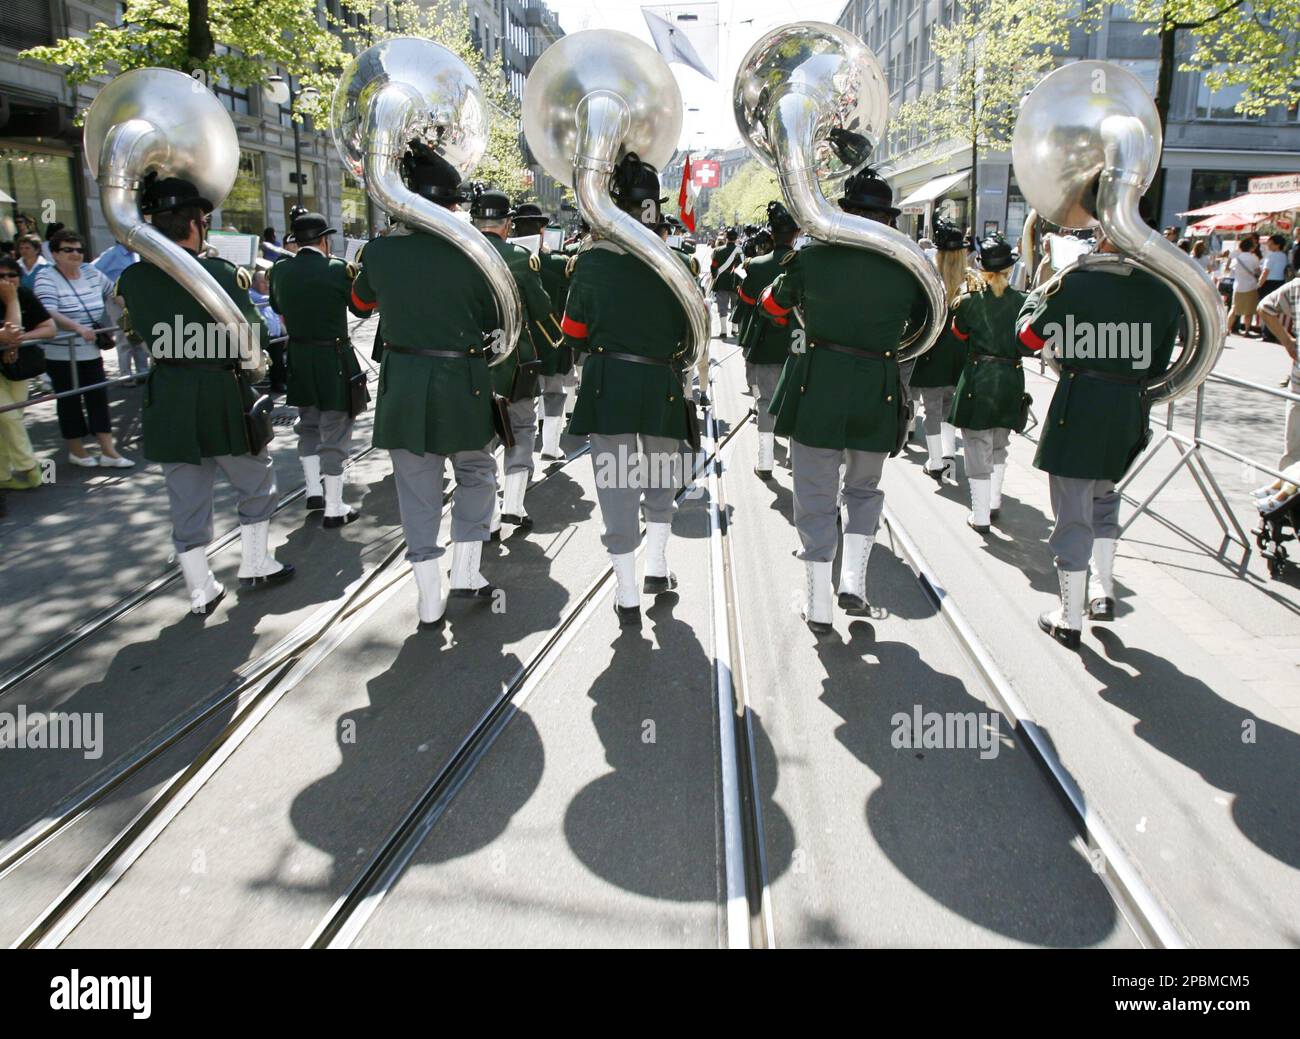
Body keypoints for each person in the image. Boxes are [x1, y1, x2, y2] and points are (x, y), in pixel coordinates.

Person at [757, 167, 928, 632]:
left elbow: (772, 306)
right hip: (878, 383)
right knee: (864, 488)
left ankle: (818, 605)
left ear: (847, 213)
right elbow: (926, 322)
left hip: (820, 382)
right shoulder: (907, 267)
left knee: (814, 491)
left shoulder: (812, 257)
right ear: (886, 219)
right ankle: (853, 581)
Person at [116, 175, 293, 614]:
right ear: (196, 224)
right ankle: (255, 563)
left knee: (186, 496)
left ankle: (200, 589)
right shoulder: (220, 273)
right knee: (255, 480)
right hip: (220, 391)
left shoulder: (133, 279)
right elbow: (253, 333)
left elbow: (136, 331)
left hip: (170, 394)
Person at [1016, 199, 1181, 648]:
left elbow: (1028, 337)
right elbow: (1161, 361)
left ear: (1106, 234)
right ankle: (1104, 593)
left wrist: (1037, 294)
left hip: (1080, 403)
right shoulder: (1166, 291)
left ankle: (1069, 617)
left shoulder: (1076, 283)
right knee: (1105, 500)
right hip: (1128, 408)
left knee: (1072, 513)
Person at [347, 150, 500, 628]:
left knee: (416, 490)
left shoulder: (380, 250)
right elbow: (497, 320)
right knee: (476, 473)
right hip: (464, 384)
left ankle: (428, 599)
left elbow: (358, 305)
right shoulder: (476, 249)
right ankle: (467, 573)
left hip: (405, 385)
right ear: (453, 205)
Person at [560, 153, 694, 627]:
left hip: (608, 384)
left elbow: (573, 333)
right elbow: (691, 336)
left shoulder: (592, 262)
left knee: (616, 486)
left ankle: (628, 591)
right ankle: (658, 566)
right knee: (661, 478)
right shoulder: (678, 263)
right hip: (661, 384)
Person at [270, 211, 365, 528]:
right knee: (336, 429)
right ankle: (334, 506)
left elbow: (278, 307)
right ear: (324, 240)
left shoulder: (281, 270)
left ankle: (313, 492)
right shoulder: (338, 269)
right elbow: (360, 307)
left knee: (308, 423)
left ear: (297, 242)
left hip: (298, 355)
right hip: (332, 357)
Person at [470, 186, 555, 531]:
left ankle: (487, 518)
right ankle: (514, 506)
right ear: (507, 224)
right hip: (514, 361)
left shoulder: (462, 254)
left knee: (479, 436)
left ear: (476, 223)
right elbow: (542, 309)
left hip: (471, 359)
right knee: (520, 429)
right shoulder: (521, 258)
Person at [948, 234, 1029, 532]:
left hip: (979, 378)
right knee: (999, 443)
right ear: (1009, 269)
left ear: (982, 268)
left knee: (976, 444)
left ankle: (980, 515)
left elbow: (959, 335)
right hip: (1010, 378)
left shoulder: (969, 300)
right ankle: (994, 502)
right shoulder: (1022, 301)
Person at [33, 229, 134, 468]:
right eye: (68, 250)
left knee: (98, 398)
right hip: (61, 353)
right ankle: (76, 451)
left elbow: (114, 292)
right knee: (69, 401)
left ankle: (109, 452)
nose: (75, 254)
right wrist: (77, 328)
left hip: (89, 349)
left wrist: (133, 307)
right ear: (55, 253)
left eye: (79, 249)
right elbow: (47, 310)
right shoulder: (46, 277)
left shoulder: (91, 272)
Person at [735, 200, 799, 478]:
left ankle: (765, 460)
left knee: (765, 404)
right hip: (799, 341)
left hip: (765, 341)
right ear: (796, 234)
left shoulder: (754, 264)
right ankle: (796, 461)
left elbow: (747, 297)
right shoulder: (806, 264)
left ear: (771, 234)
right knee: (798, 403)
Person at [510, 201, 572, 462]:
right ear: (542, 230)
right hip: (550, 339)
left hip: (514, 342)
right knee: (554, 392)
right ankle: (550, 445)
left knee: (515, 401)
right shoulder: (558, 262)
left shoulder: (504, 257)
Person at [909, 219, 967, 483]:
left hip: (933, 356)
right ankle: (948, 459)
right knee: (948, 412)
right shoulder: (972, 285)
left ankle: (936, 462)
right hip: (962, 360)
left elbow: (917, 317)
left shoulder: (931, 282)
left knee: (932, 411)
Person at [0, 258, 55, 495]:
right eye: (1, 275)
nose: (7, 280)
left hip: (16, 368)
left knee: (9, 421)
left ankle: (2, 475)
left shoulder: (24, 294)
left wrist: (17, 341)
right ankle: (29, 465)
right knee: (9, 417)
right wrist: (11, 301)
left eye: (12, 275)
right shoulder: (15, 296)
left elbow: (49, 328)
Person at [1255, 277, 1300, 498]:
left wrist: (1288, 341)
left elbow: (1265, 308)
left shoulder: (1297, 286)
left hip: (1299, 380)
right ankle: (1284, 493)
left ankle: (1284, 494)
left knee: (1294, 444)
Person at [92, 240, 147, 384]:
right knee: (125, 338)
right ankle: (126, 375)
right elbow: (93, 270)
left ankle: (142, 372)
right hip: (118, 302)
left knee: (138, 337)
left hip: (134, 300)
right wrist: (111, 291)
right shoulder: (112, 254)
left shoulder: (134, 254)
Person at [1226, 236, 1262, 337]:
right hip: (1251, 286)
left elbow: (1230, 269)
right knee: (1249, 311)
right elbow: (1258, 271)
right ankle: (1246, 331)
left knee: (1233, 309)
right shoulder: (1254, 258)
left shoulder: (1237, 258)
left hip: (1238, 286)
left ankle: (1227, 329)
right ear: (1251, 248)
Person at [1259, 234, 1290, 344]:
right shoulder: (1284, 256)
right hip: (1279, 283)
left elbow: (1265, 272)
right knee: (1274, 310)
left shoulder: (1271, 256)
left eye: (1271, 243)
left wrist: (1259, 284)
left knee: (1264, 308)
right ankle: (1271, 333)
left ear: (1277, 245)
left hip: (1268, 283)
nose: (1268, 245)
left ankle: (1266, 333)